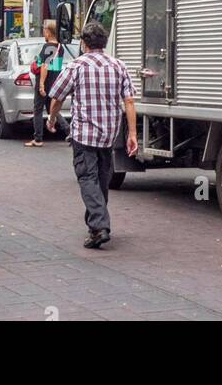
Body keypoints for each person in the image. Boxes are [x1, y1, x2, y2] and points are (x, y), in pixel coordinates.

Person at [47, 20, 138, 250]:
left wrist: (51, 118)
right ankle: (95, 227)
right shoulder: (118, 66)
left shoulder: (76, 66)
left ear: (84, 43)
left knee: (87, 178)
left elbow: (57, 96)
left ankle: (99, 225)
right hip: (109, 134)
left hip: (84, 134)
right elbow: (129, 101)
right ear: (104, 43)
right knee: (101, 179)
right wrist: (133, 134)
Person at [26, 20, 65, 149]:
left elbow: (44, 66)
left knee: (37, 110)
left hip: (45, 82)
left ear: (48, 32)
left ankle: (38, 138)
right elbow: (56, 66)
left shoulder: (48, 47)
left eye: (44, 29)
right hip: (55, 82)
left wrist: (41, 84)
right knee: (52, 109)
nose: (43, 32)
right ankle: (69, 131)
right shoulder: (60, 47)